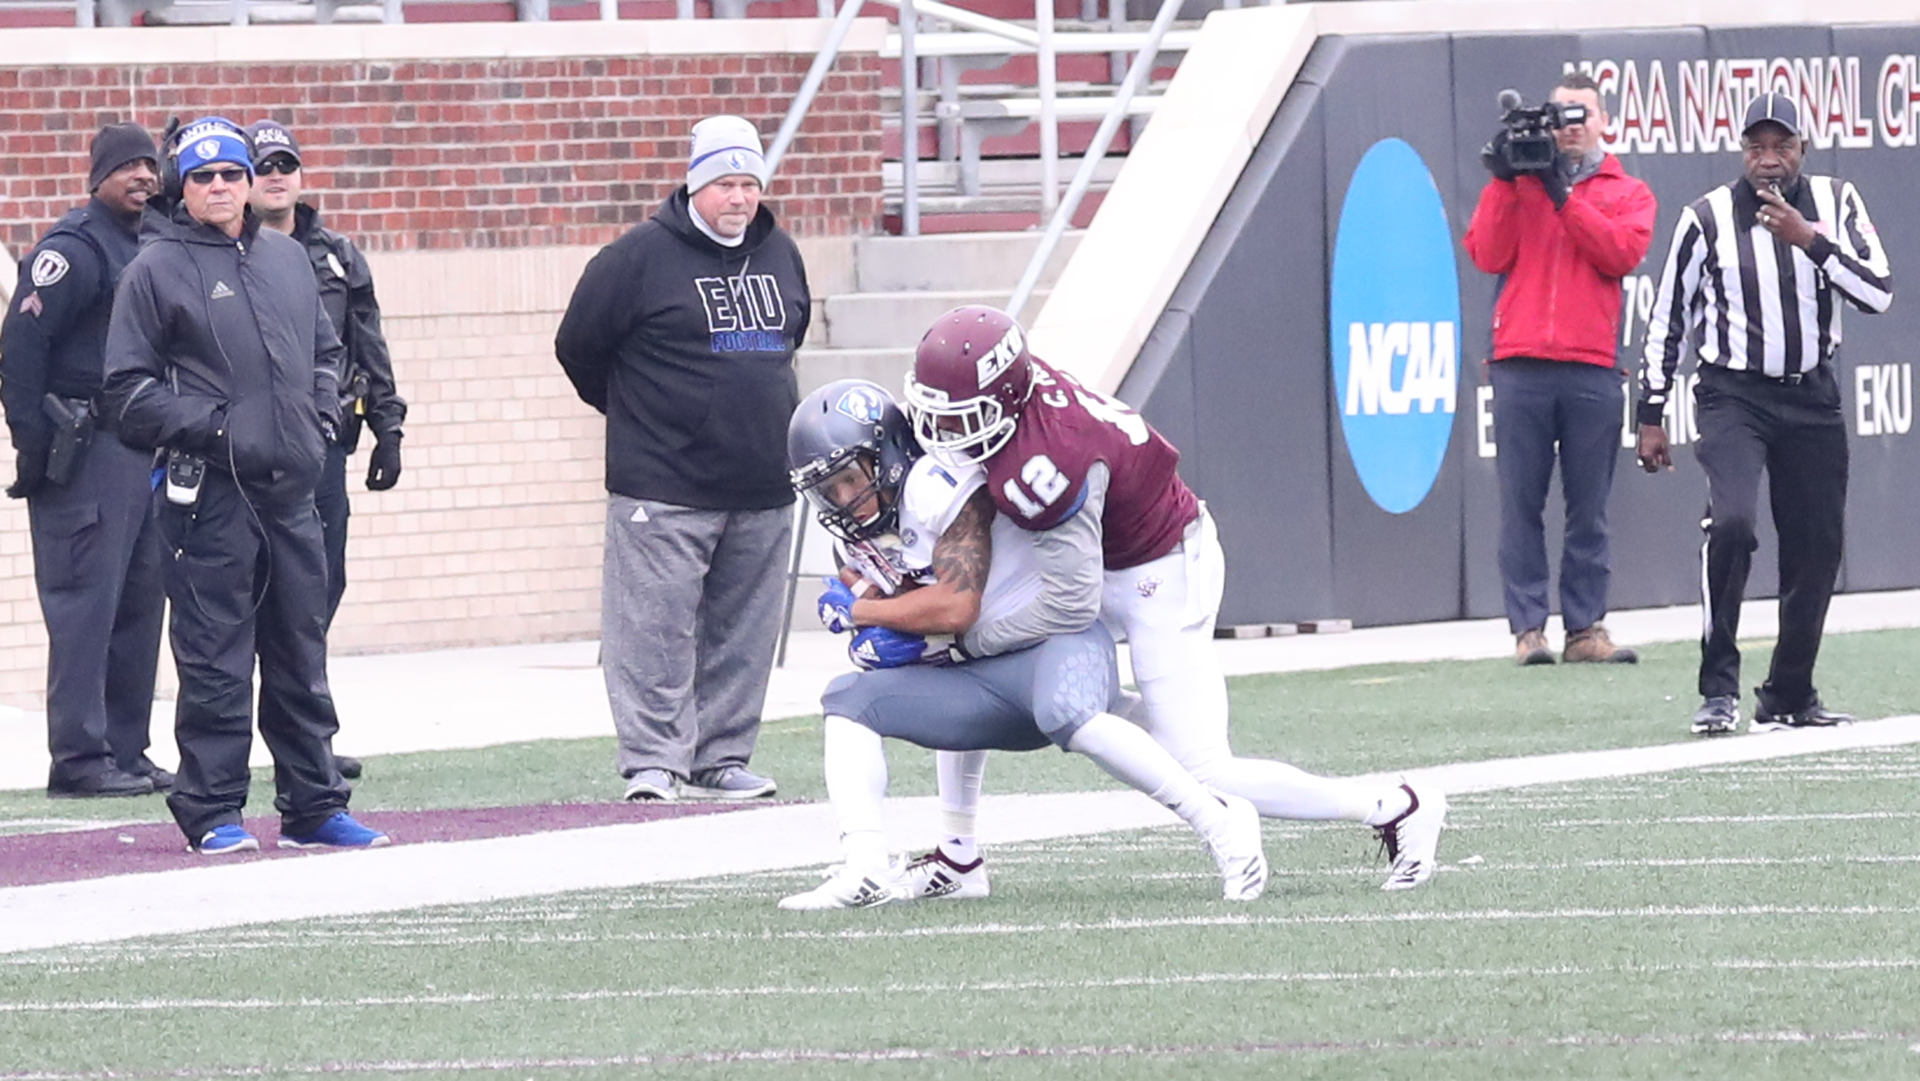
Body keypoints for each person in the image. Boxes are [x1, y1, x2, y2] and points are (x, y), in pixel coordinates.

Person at [905, 307, 1446, 891]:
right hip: (1104, 554)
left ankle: (1392, 806)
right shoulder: (1021, 407)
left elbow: (1069, 605)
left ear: (1006, 398)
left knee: (1204, 766)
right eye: (934, 415)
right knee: (982, 666)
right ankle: (957, 852)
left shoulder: (1047, 459)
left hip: (1158, 572)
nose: (942, 434)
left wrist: (968, 640)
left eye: (960, 419)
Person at [777, 379, 1266, 910]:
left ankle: (1219, 824)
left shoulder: (940, 486)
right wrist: (883, 634)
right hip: (983, 674)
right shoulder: (854, 536)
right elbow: (914, 612)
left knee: (1067, 712)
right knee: (849, 699)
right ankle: (876, 866)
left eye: (851, 478)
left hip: (1056, 642)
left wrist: (864, 613)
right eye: (829, 489)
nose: (845, 499)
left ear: (887, 455)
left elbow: (956, 607)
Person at [101, 117, 389, 854]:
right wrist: (216, 426)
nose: (221, 187)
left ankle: (314, 803)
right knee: (215, 656)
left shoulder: (290, 258)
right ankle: (212, 808)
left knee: (300, 649)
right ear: (181, 187)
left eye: (232, 173)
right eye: (203, 177)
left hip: (291, 488)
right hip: (210, 498)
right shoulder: (153, 270)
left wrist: (321, 410)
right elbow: (126, 393)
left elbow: (329, 349)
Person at [555, 116, 805, 803]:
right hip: (662, 485)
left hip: (761, 482)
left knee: (743, 633)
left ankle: (721, 756)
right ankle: (654, 761)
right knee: (652, 631)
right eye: (726, 182)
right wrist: (642, 418)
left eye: (750, 183)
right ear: (695, 185)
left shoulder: (781, 253)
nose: (740, 197)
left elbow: (791, 339)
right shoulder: (636, 258)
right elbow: (579, 348)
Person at [1636, 92, 1892, 737]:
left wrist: (1810, 241)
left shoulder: (1838, 202)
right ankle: (1717, 688)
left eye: (1781, 147)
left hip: (1812, 394)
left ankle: (1788, 694)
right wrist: (1651, 411)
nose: (1769, 161)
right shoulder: (1706, 218)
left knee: (1817, 547)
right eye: (1756, 147)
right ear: (1741, 152)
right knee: (1732, 524)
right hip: (1733, 395)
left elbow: (1878, 294)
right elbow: (1668, 316)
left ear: (1803, 150)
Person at [0, 122, 170, 799]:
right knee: (84, 609)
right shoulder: (72, 248)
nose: (141, 177)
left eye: (148, 166)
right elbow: (20, 347)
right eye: (126, 166)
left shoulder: (148, 241)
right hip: (85, 453)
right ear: (97, 176)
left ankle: (125, 750)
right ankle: (78, 758)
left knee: (138, 605)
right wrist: (33, 443)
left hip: (138, 450)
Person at [1463, 72, 1656, 666]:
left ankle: (1585, 628)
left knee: (1588, 508)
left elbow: (1619, 253)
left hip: (1592, 366)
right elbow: (1486, 253)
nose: (1571, 128)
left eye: (1582, 116)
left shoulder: (1629, 191)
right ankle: (1528, 630)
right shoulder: (1520, 181)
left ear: (1604, 123)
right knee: (1520, 504)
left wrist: (1562, 196)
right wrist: (1505, 182)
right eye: (1562, 117)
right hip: (1521, 362)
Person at [247, 118, 409, 781]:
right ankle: (259, 732)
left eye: (286, 163)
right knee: (254, 593)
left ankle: (308, 734)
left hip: (322, 450)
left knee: (317, 588)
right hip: (250, 452)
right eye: (264, 165)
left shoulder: (338, 256)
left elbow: (366, 345)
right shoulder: (227, 252)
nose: (276, 175)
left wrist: (389, 426)